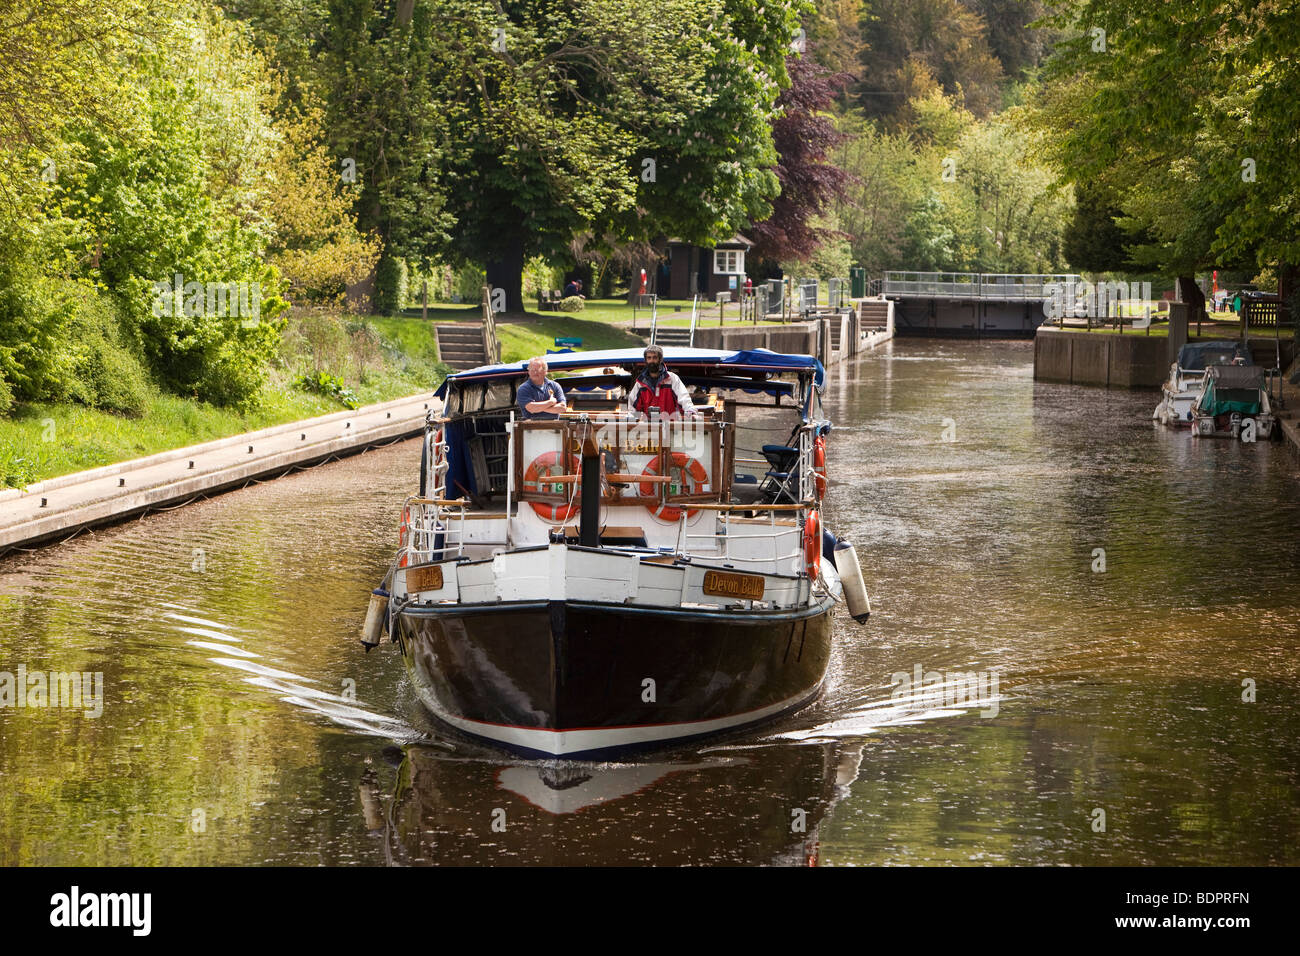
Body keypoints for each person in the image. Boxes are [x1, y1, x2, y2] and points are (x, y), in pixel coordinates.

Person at [626, 345, 696, 419]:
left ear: (660, 359)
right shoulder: (640, 383)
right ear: (645, 360)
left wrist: (690, 411)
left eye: (655, 357)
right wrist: (631, 417)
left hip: (670, 426)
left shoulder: (672, 379)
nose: (652, 361)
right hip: (648, 427)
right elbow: (633, 408)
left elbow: (683, 398)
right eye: (649, 358)